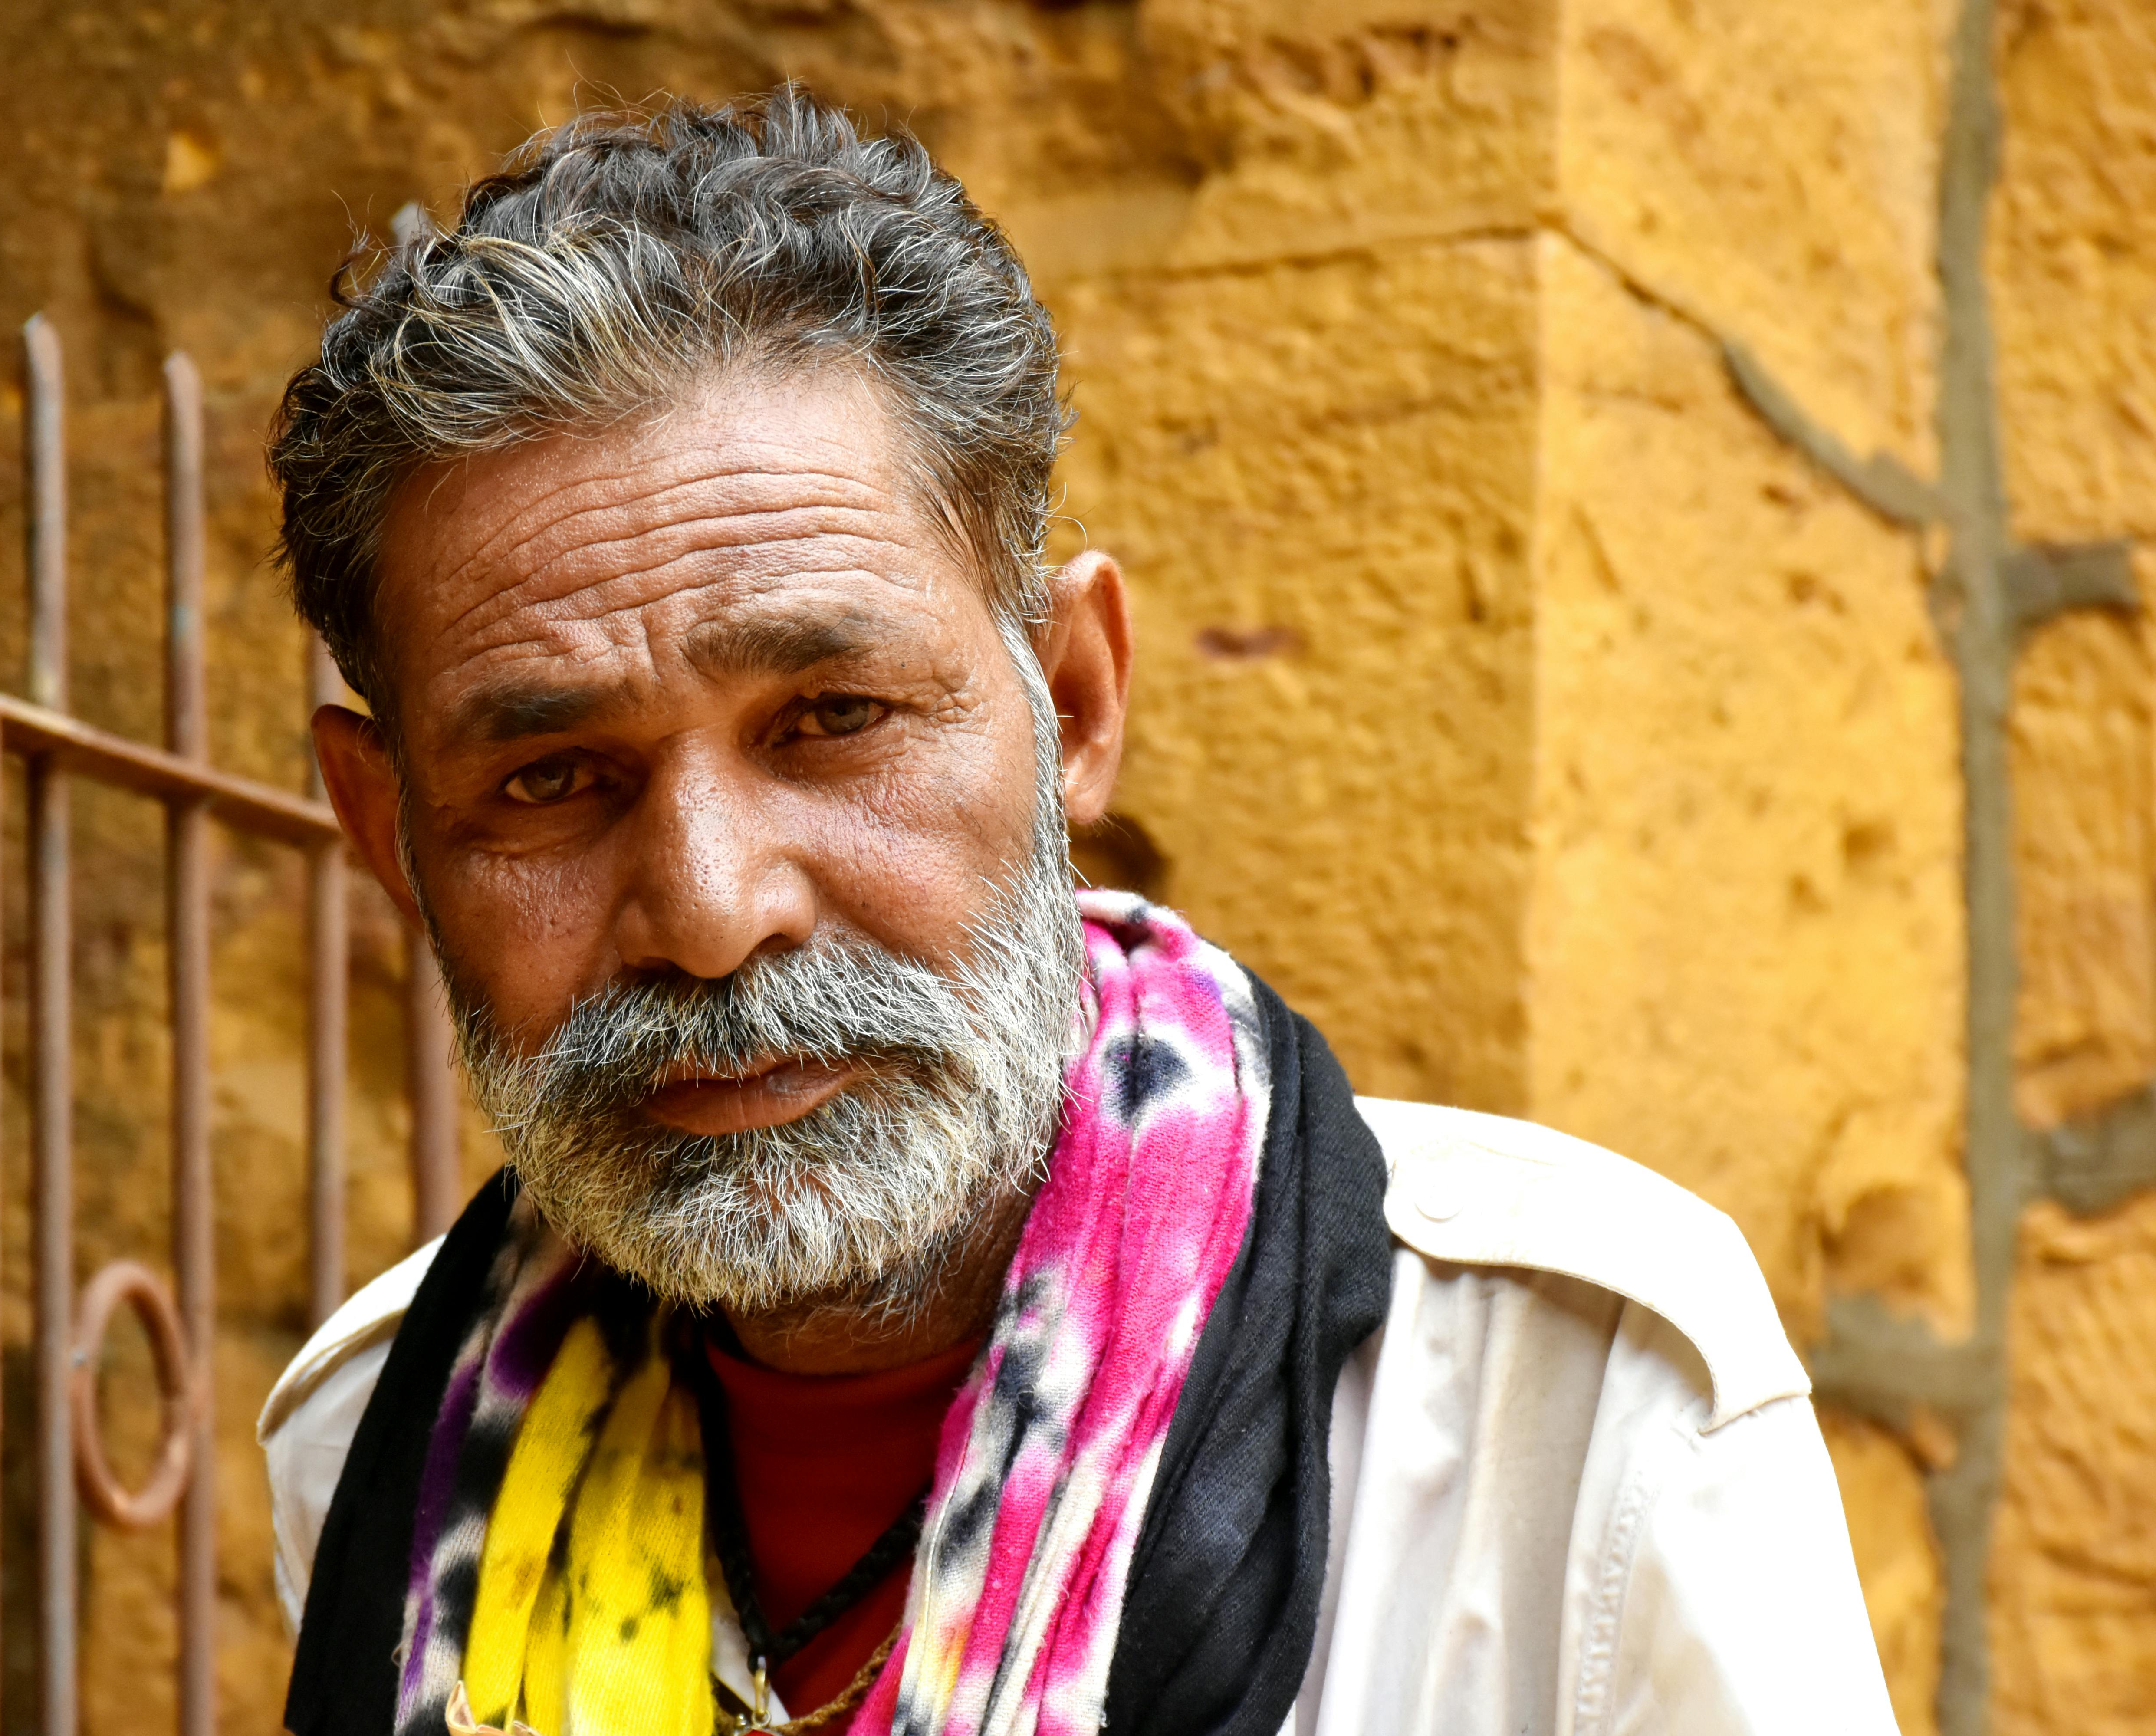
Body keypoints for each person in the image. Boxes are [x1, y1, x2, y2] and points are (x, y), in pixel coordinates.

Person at [258, 88, 1899, 1736]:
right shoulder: (384, 1448)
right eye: (552, 783)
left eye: (834, 720)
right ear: (392, 836)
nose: (709, 913)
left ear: (1073, 699)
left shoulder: (1569, 1410)